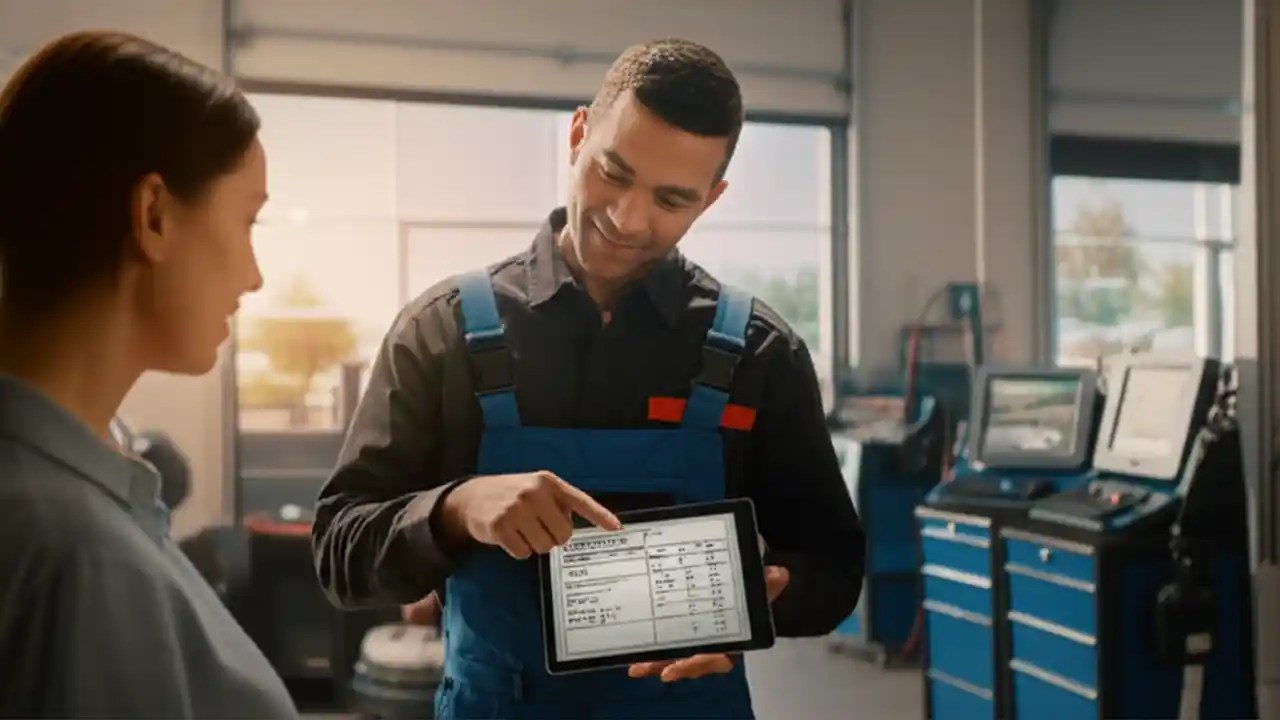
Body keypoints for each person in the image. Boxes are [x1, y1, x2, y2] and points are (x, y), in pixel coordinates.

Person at [313, 38, 865, 719]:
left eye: (672, 198)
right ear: (578, 135)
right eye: (614, 172)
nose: (629, 218)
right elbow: (341, 549)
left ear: (712, 197)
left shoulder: (759, 355)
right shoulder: (445, 334)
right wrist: (456, 509)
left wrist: (766, 595)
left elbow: (835, 570)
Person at [0, 31, 297, 719]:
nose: (253, 275)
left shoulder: (75, 498)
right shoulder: (81, 558)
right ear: (154, 215)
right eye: (248, 220)